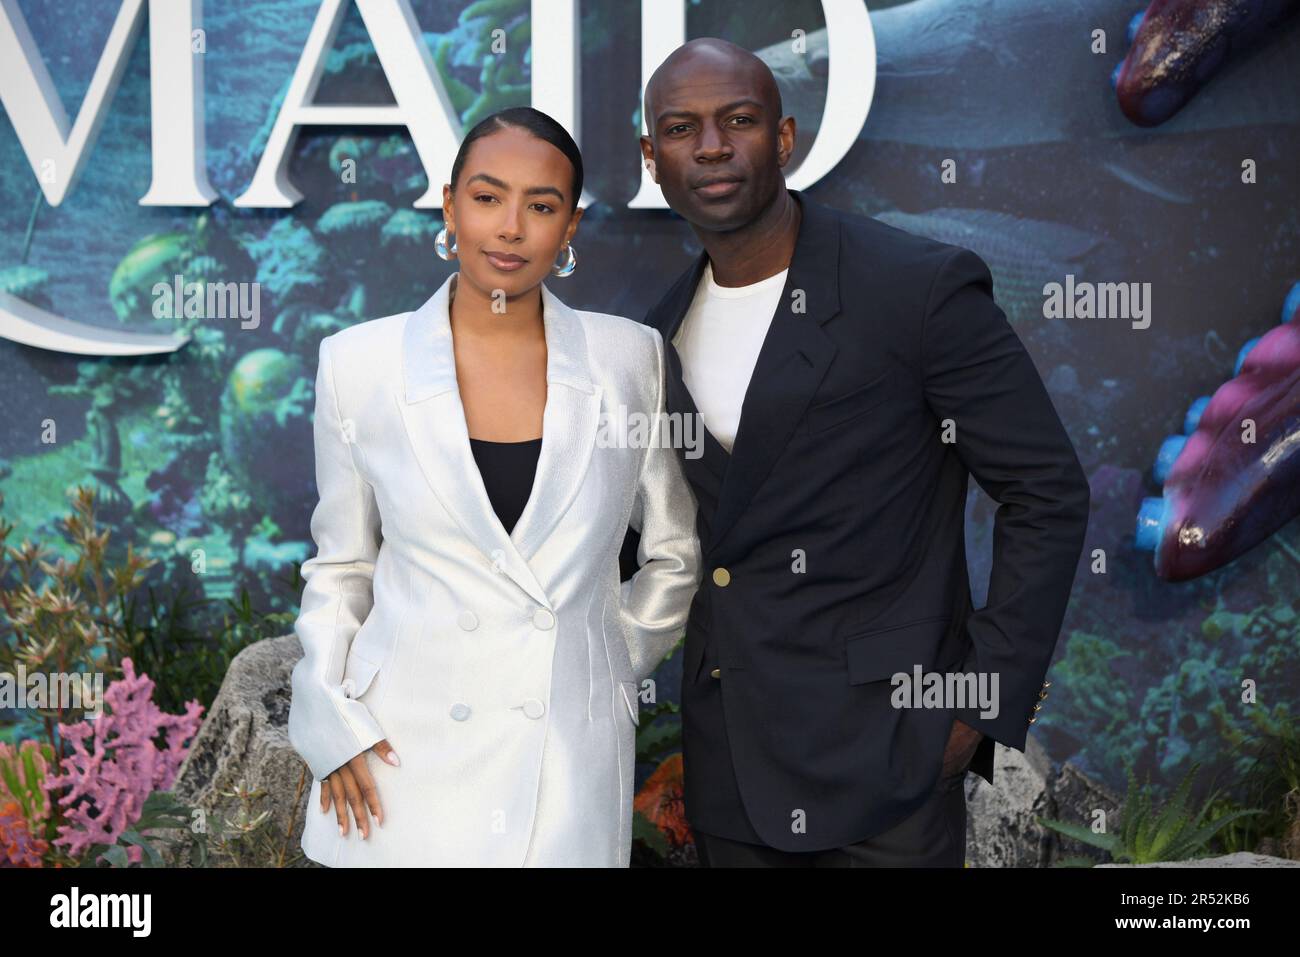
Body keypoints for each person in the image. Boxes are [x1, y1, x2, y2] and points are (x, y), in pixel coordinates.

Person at [632, 38, 1091, 866]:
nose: (711, 146)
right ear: (651, 157)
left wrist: (977, 707)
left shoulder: (915, 287)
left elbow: (1047, 491)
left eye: (739, 120)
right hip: (731, 772)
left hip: (892, 762)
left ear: (784, 137)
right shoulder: (653, 332)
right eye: (680, 128)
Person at [287, 107, 702, 867]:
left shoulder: (627, 359)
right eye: (487, 197)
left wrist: (605, 661)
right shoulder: (358, 364)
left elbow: (676, 552)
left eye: (540, 206)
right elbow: (341, 566)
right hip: (395, 757)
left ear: (570, 226)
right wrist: (328, 721)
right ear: (450, 207)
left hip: (565, 756)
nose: (510, 227)